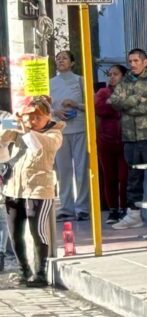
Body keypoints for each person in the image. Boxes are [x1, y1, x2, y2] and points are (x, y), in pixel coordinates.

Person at [1, 96, 62, 287]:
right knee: (15, 232)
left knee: (38, 232)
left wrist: (26, 130)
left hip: (39, 190)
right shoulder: (20, 127)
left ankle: (40, 272)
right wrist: (15, 119)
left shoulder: (54, 133)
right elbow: (2, 137)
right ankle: (23, 270)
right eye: (30, 116)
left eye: (38, 117)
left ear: (48, 117)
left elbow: (38, 147)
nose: (33, 120)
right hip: (14, 188)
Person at [109, 48, 147, 228]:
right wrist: (135, 100)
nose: (132, 64)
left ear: (145, 62)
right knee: (133, 177)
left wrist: (127, 106)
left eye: (136, 61)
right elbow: (114, 101)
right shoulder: (125, 82)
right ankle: (133, 215)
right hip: (130, 137)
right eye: (130, 61)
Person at [48, 50, 88, 221]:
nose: (60, 60)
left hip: (79, 129)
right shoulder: (50, 83)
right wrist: (55, 112)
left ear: (72, 63)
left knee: (81, 169)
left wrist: (76, 104)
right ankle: (66, 208)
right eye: (58, 58)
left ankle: (83, 207)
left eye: (64, 58)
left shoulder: (81, 80)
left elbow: (91, 104)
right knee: (63, 171)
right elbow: (43, 107)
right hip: (59, 131)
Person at [95, 64, 129, 224]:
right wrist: (116, 104)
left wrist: (112, 103)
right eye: (110, 74)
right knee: (109, 177)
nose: (112, 77)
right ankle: (113, 210)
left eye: (115, 74)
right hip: (106, 140)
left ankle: (124, 208)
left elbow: (130, 108)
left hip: (125, 139)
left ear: (123, 76)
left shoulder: (129, 90)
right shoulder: (103, 92)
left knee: (124, 177)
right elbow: (100, 108)